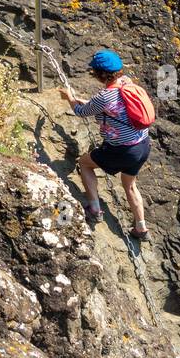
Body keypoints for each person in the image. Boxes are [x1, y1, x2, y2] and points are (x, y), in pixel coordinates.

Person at [58, 48, 152, 240]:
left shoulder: (104, 96)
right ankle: (141, 228)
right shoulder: (127, 83)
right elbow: (114, 109)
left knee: (84, 163)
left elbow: (81, 112)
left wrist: (69, 97)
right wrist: (84, 101)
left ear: (100, 74)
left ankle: (94, 208)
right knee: (130, 185)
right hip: (142, 145)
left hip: (123, 150)